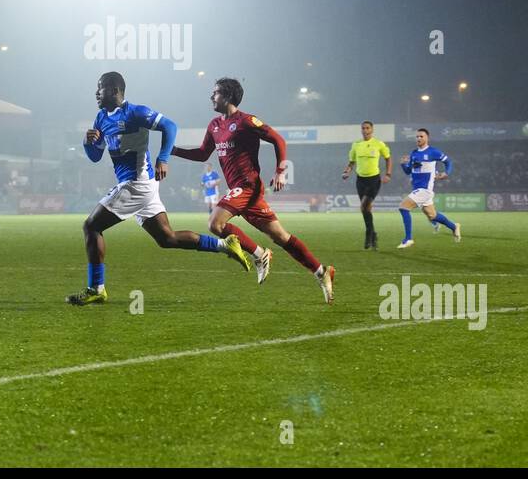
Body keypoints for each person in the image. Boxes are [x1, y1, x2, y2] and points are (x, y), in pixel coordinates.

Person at [69, 72, 252, 306]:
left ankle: (96, 288)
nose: (96, 92)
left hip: (137, 183)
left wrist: (163, 157)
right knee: (167, 238)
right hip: (141, 186)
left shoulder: (135, 112)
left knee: (91, 226)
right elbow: (95, 157)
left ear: (115, 90)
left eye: (101, 88)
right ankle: (225, 244)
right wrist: (88, 143)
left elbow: (169, 126)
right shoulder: (101, 118)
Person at [173, 77, 335, 304]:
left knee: (214, 224)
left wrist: (280, 170)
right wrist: (174, 150)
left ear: (228, 96)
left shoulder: (246, 121)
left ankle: (260, 254)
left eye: (216, 92)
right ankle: (321, 271)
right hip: (240, 191)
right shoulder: (214, 125)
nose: (212, 96)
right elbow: (202, 154)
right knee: (281, 236)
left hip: (247, 186)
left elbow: (278, 139)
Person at [396, 129, 460, 248]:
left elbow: (448, 162)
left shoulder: (433, 152)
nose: (418, 138)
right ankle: (454, 226)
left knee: (403, 207)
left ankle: (408, 239)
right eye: (417, 137)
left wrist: (446, 173)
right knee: (432, 216)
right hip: (418, 189)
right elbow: (408, 171)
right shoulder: (413, 153)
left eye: (421, 136)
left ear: (427, 138)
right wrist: (403, 164)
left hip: (425, 190)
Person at [342, 120, 392, 250]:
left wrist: (388, 174)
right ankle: (373, 234)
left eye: (367, 128)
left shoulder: (378, 144)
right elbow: (351, 162)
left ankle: (368, 233)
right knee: (366, 209)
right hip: (360, 180)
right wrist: (347, 172)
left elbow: (388, 158)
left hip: (374, 180)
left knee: (364, 206)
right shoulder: (356, 145)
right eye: (363, 128)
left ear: (372, 129)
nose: (365, 130)